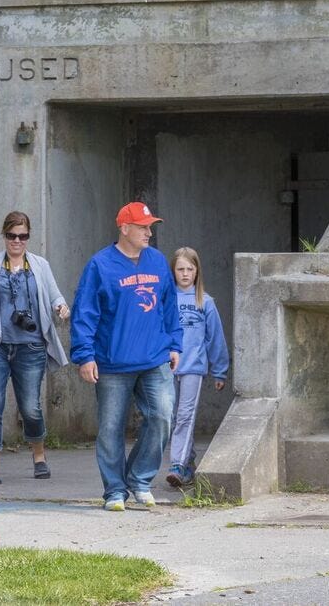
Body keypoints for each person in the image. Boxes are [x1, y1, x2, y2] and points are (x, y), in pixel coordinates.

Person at [70, 202, 183, 512]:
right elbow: (85, 313)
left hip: (155, 358)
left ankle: (139, 479)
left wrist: (175, 344)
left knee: (162, 416)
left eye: (150, 227)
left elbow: (169, 306)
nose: (149, 232)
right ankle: (115, 490)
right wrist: (84, 355)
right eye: (143, 227)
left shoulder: (157, 261)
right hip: (112, 362)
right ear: (124, 228)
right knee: (110, 429)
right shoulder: (100, 265)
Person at [0, 211, 70, 484]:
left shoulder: (39, 265)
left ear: (28, 237)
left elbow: (55, 295)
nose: (17, 241)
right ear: (4, 235)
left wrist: (61, 307)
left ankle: (39, 456)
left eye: (23, 236)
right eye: (12, 235)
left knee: (30, 408)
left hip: (31, 346)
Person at [165, 248, 229, 488]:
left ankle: (177, 465)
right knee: (171, 418)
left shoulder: (205, 302)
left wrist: (219, 370)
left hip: (193, 367)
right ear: (173, 271)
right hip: (167, 368)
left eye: (189, 269)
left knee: (185, 417)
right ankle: (188, 463)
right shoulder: (166, 299)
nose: (185, 273)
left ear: (197, 271)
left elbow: (215, 338)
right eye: (180, 269)